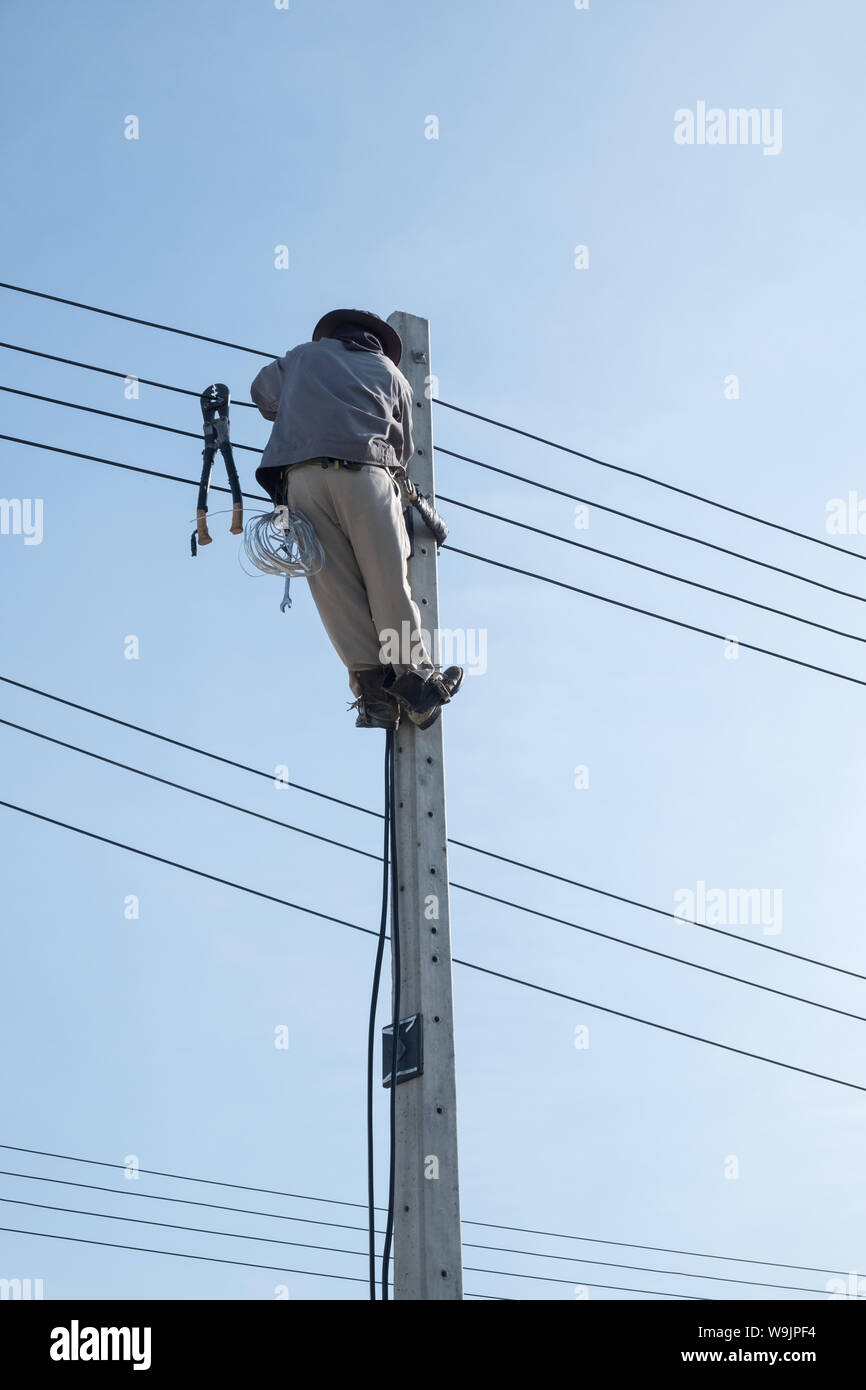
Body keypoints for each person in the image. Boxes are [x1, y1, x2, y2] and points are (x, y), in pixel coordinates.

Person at [250, 308, 463, 730]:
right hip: (367, 475)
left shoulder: (303, 357)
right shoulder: (393, 374)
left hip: (302, 479)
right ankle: (416, 679)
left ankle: (373, 695)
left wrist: (304, 401)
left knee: (335, 589)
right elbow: (403, 451)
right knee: (386, 581)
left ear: (333, 333)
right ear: (380, 343)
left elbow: (262, 394)